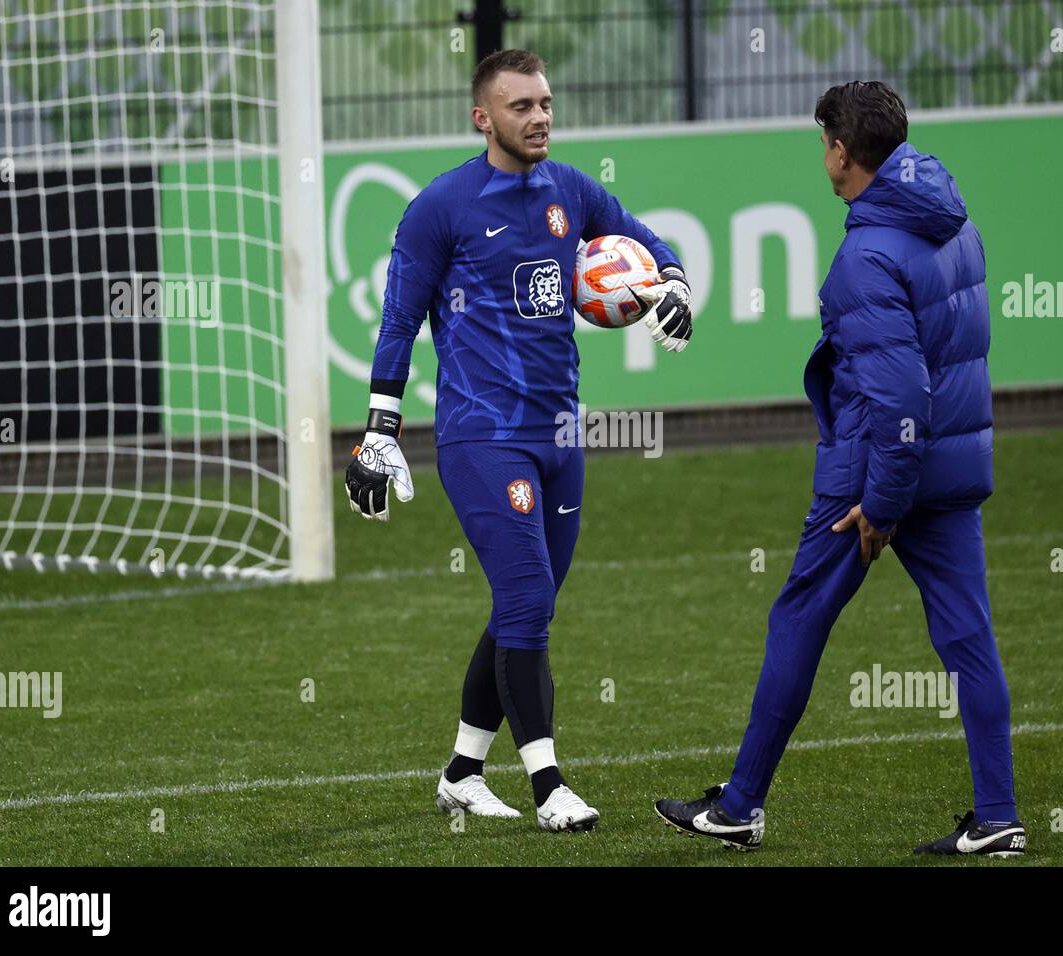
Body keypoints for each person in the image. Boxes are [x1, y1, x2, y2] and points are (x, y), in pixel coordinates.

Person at [654, 80, 1024, 856]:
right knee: (969, 636)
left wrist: (882, 505)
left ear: (842, 152)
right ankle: (998, 817)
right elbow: (952, 356)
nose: (820, 154)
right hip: (953, 464)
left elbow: (899, 396)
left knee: (799, 618)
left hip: (874, 473)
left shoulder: (865, 255)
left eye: (822, 141)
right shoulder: (951, 214)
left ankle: (742, 806)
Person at [345, 49, 692, 832]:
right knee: (528, 600)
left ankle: (463, 773)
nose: (539, 117)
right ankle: (550, 786)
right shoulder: (442, 206)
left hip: (561, 436)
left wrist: (673, 285)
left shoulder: (572, 191)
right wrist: (378, 431)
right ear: (483, 118)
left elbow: (650, 243)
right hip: (481, 438)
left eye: (544, 103)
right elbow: (399, 321)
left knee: (522, 609)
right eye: (521, 106)